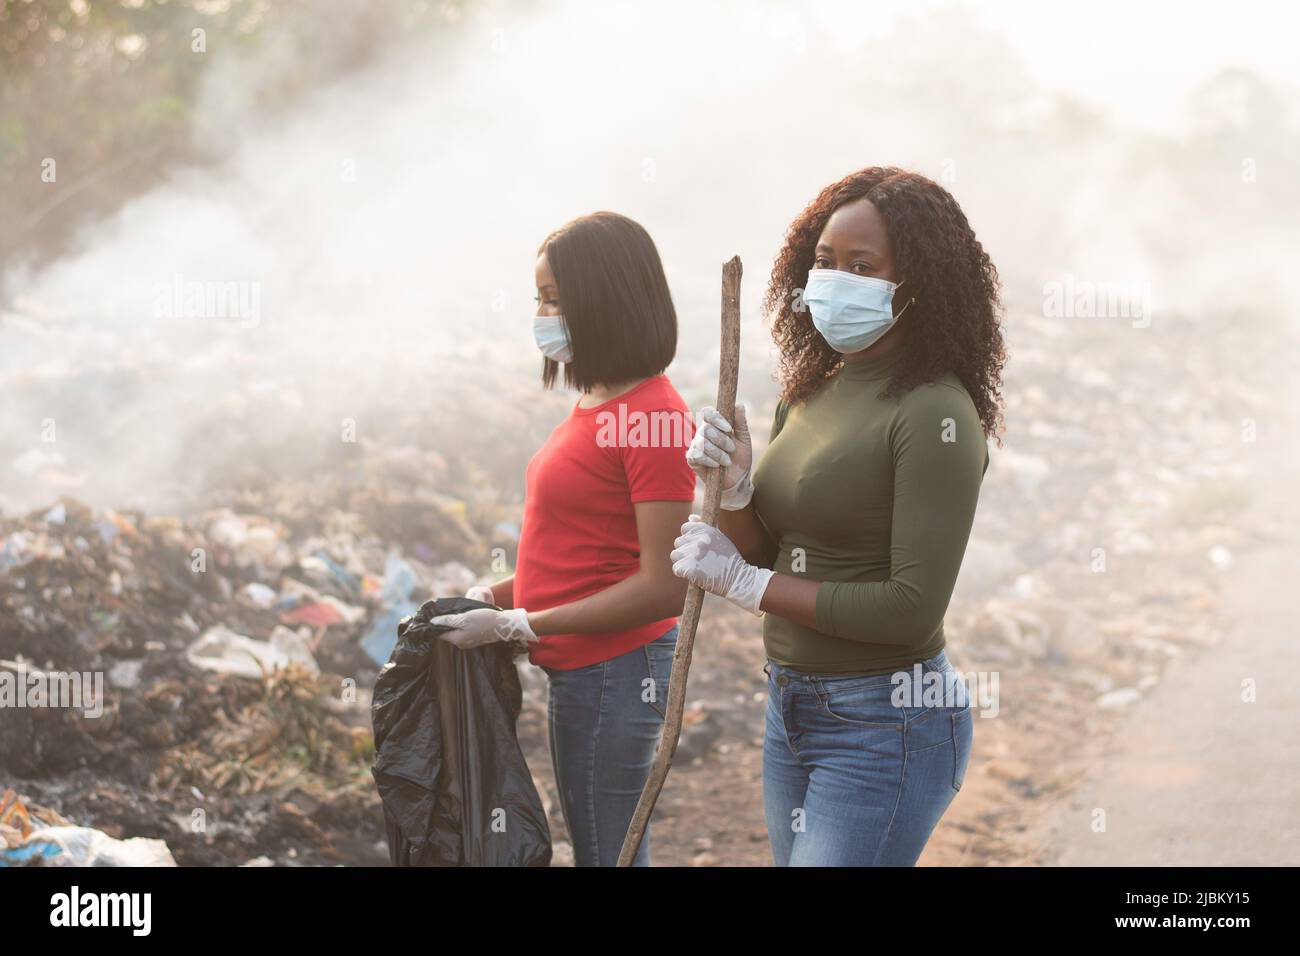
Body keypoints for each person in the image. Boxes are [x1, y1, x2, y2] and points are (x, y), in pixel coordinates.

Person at [673, 166, 1006, 866]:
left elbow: (909, 610)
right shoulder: (810, 391)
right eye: (824, 261)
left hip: (888, 725)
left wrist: (745, 587)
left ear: (915, 287)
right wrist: (734, 490)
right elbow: (768, 549)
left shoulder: (936, 414)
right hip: (789, 710)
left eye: (863, 266)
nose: (834, 279)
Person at [430, 211, 696, 866]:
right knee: (602, 846)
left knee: (609, 853)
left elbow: (665, 587)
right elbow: (581, 556)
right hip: (581, 670)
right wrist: (489, 599)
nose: (543, 315)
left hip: (614, 674)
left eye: (556, 300)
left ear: (603, 302)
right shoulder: (597, 403)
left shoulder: (656, 418)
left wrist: (520, 625)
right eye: (540, 299)